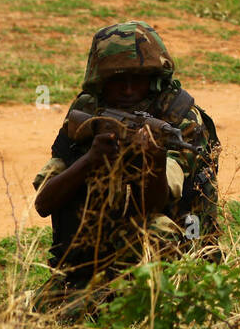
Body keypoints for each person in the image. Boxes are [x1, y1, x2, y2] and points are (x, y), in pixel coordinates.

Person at [33, 21, 221, 312]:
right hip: (90, 261)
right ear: (100, 81)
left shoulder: (179, 121)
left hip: (173, 257)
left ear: (156, 78)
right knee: (43, 318)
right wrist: (89, 160)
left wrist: (155, 161)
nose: (129, 88)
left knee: (154, 233)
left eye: (139, 77)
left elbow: (153, 207)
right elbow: (44, 203)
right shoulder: (88, 111)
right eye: (118, 79)